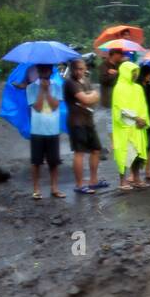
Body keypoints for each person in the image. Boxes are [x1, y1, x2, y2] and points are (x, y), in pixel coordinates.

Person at [17, 64, 64, 199]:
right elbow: (37, 107)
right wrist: (42, 90)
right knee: (36, 162)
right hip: (37, 129)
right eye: (41, 70)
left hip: (53, 129)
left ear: (50, 71)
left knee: (54, 162)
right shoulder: (31, 87)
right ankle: (36, 189)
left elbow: (55, 106)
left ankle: (54, 188)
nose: (44, 72)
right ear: (38, 71)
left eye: (46, 69)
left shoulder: (56, 86)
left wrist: (47, 91)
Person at [64, 57, 105, 194]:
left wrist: (90, 97)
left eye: (82, 69)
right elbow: (87, 99)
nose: (80, 72)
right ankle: (79, 184)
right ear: (72, 69)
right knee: (79, 152)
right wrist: (89, 97)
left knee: (96, 149)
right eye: (77, 69)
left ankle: (93, 180)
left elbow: (95, 97)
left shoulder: (85, 81)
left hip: (88, 120)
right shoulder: (70, 83)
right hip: (76, 122)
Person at [111, 59, 150, 190]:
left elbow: (143, 106)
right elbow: (119, 108)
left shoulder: (138, 88)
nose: (134, 74)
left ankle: (136, 178)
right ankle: (122, 181)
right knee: (124, 153)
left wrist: (143, 119)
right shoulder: (119, 88)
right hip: (125, 126)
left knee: (137, 154)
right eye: (132, 71)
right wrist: (136, 118)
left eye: (135, 71)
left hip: (138, 126)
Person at [98, 46, 126, 160]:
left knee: (120, 118)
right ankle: (113, 142)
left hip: (120, 96)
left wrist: (118, 71)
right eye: (119, 54)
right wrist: (113, 74)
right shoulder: (103, 66)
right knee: (110, 120)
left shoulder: (120, 65)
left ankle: (121, 139)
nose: (121, 57)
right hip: (109, 96)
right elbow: (103, 80)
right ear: (113, 54)